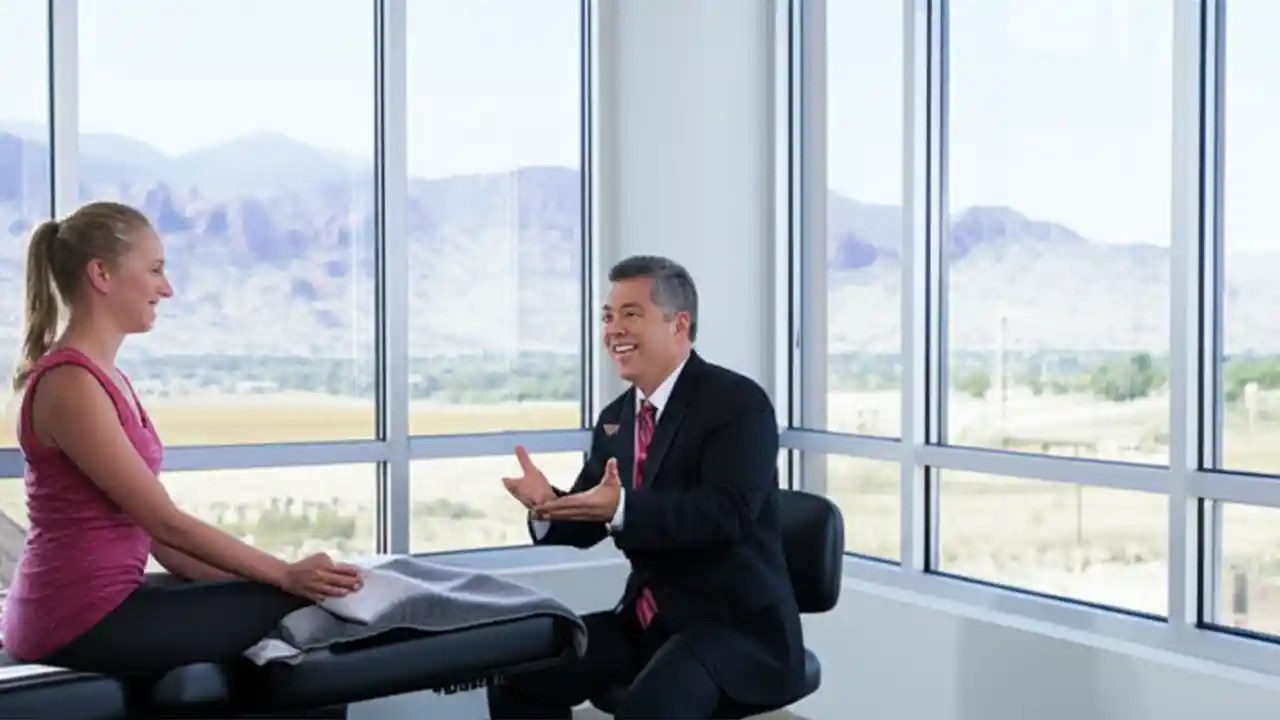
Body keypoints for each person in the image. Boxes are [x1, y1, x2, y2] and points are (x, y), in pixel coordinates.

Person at [0, 201, 364, 675]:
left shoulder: (107, 379)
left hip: (103, 604)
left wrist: (271, 582)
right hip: (75, 618)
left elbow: (156, 536)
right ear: (101, 275)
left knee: (286, 603)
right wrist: (284, 576)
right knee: (300, 613)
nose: (166, 288)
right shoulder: (71, 384)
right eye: (154, 270)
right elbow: (166, 522)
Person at [489, 255, 806, 719]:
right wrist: (547, 507)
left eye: (631, 314)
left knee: (649, 706)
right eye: (608, 316)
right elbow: (591, 516)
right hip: (648, 621)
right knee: (521, 673)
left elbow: (724, 513)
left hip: (733, 629)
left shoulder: (738, 404)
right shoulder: (616, 419)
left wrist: (621, 509)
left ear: (679, 324)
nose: (614, 329)